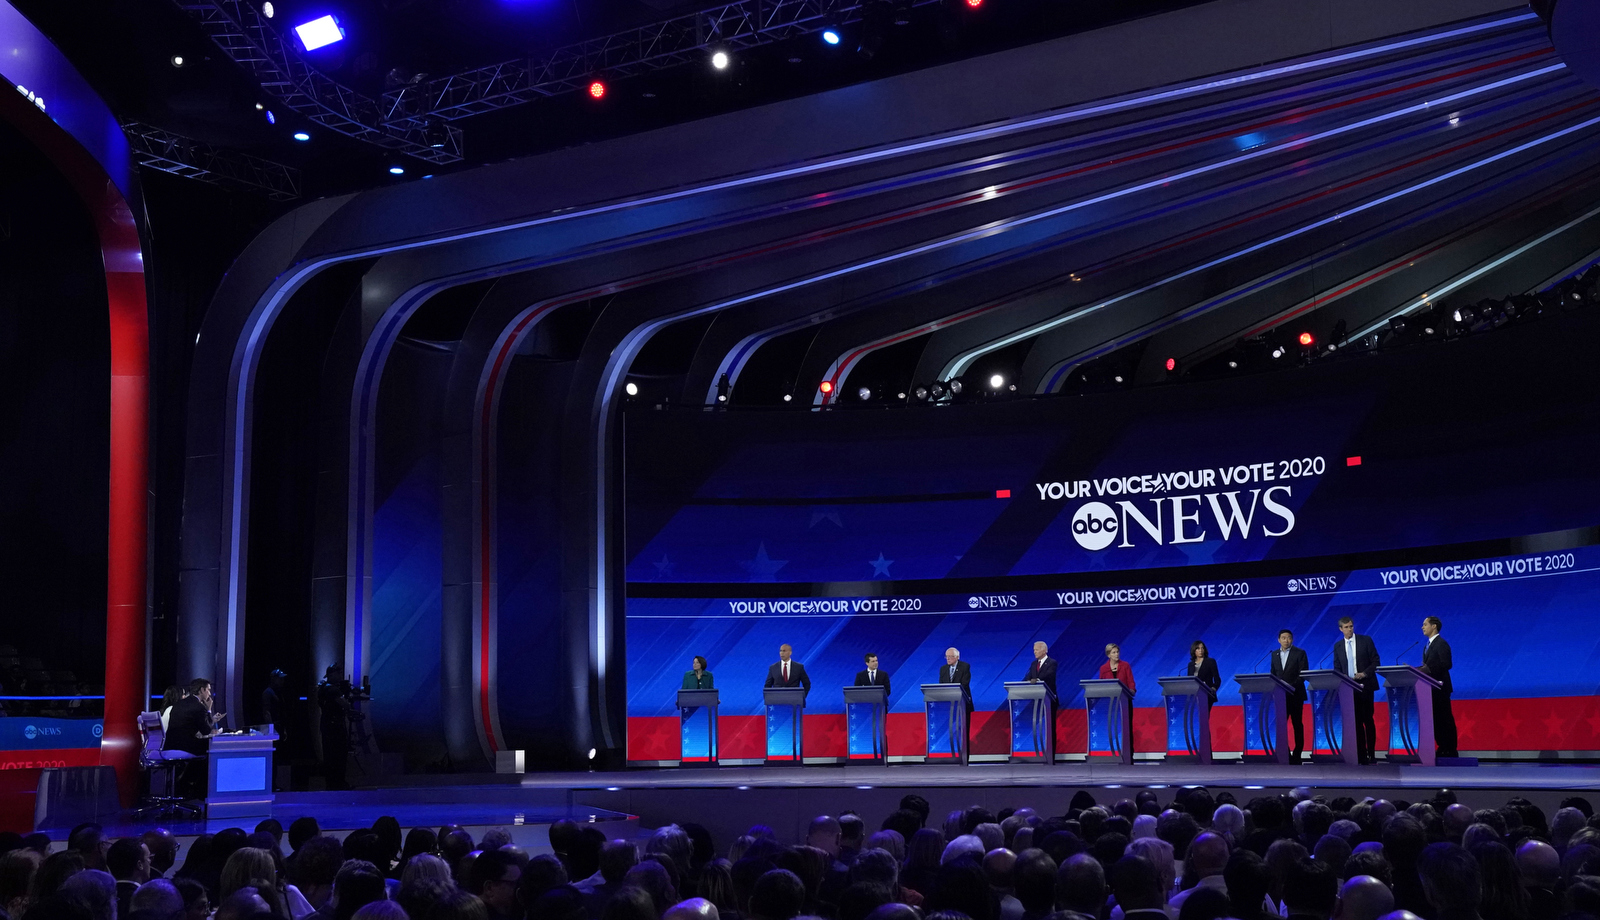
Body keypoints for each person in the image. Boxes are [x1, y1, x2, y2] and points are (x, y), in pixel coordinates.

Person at [1331, 618, 1380, 764]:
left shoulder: (1366, 640)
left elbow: (1376, 661)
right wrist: (1343, 676)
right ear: (1341, 629)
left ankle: (1372, 753)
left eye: (1351, 626)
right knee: (1356, 722)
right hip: (1349, 688)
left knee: (1368, 720)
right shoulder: (1338, 646)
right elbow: (1337, 667)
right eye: (1346, 627)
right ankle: (1361, 754)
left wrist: (1364, 673)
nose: (1350, 629)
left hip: (1365, 686)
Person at [1419, 617, 1458, 758]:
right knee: (1436, 719)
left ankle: (1450, 748)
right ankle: (1442, 746)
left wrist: (1428, 669)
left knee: (1445, 718)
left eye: (1425, 624)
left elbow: (1447, 664)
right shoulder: (1427, 645)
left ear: (1434, 626)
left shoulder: (1441, 644)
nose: (1422, 627)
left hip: (1441, 687)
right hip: (1430, 689)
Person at [1271, 630, 1309, 763]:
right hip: (1281, 697)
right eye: (1283, 638)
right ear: (1278, 640)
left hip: (1296, 694)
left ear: (1292, 639)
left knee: (1297, 724)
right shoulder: (1274, 655)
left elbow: (1303, 674)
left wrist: (1289, 686)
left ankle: (1297, 754)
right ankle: (1285, 753)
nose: (1286, 640)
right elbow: (1273, 675)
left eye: (1289, 638)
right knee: (1281, 725)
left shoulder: (1300, 653)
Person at [165, 678, 223, 757]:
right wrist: (209, 709)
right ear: (202, 690)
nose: (209, 694)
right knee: (214, 745)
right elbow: (206, 731)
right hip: (185, 747)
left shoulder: (178, 703)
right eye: (208, 690)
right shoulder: (199, 707)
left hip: (169, 746)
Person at [318, 665, 351, 791]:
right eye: (338, 673)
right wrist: (346, 695)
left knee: (329, 755)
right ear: (332, 675)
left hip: (326, 725)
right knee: (339, 755)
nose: (340, 676)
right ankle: (339, 783)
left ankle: (331, 783)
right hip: (335, 726)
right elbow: (345, 705)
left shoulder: (323, 688)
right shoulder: (333, 690)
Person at [939, 648, 973, 715]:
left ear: (957, 657)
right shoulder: (943, 669)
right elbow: (941, 685)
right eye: (946, 656)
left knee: (964, 723)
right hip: (948, 702)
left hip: (962, 701)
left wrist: (953, 693)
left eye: (950, 656)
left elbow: (965, 684)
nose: (948, 659)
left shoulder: (965, 667)